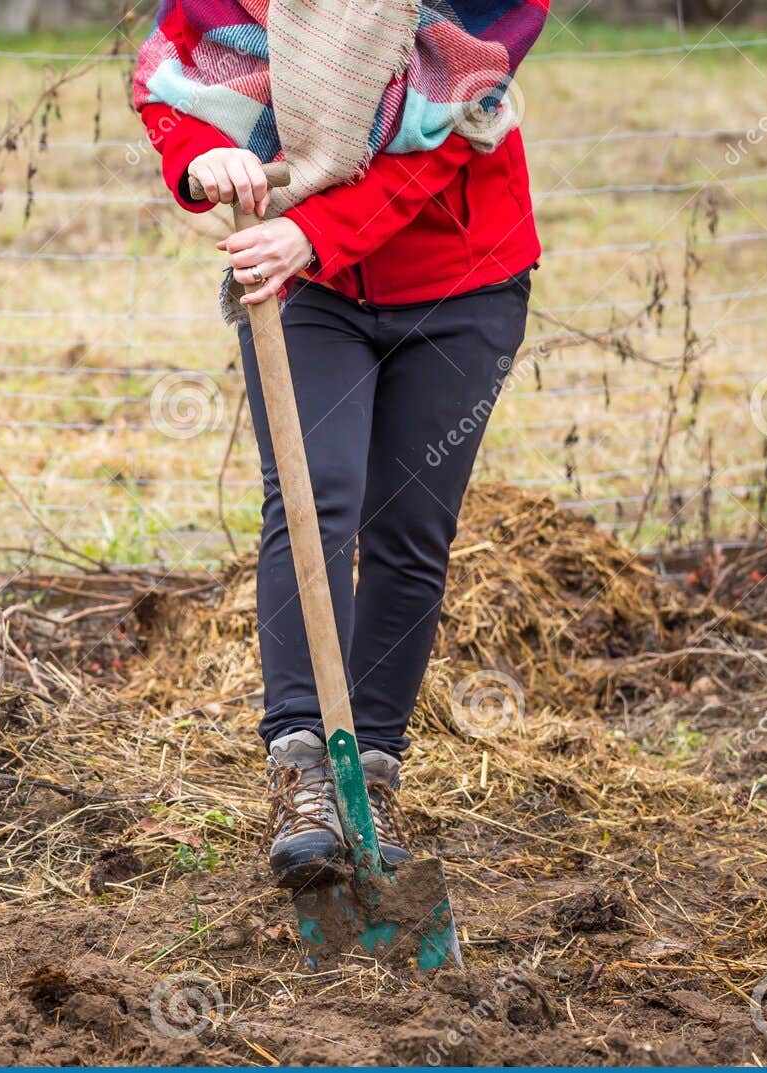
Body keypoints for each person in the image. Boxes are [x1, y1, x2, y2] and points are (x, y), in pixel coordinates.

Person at [133, 0, 548, 888]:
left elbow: (446, 136)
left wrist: (314, 230)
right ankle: (304, 776)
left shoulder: (473, 12)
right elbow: (175, 72)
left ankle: (377, 772)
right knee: (312, 494)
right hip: (305, 289)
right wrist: (201, 156)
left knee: (409, 528)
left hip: (459, 284)